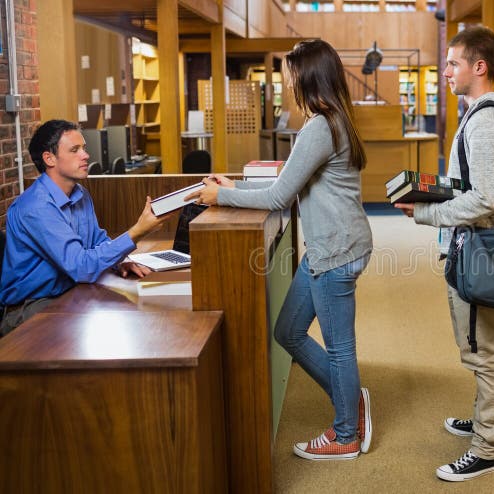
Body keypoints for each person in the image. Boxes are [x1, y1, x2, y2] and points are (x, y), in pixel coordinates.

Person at [187, 39, 374, 461]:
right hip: (336, 245)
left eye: (290, 72)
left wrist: (221, 199)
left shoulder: (320, 126)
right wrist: (236, 188)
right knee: (287, 331)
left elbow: (278, 198)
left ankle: (346, 433)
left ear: (306, 75)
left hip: (336, 250)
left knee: (340, 347)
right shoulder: (335, 119)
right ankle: (351, 399)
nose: (286, 80)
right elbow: (287, 184)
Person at [395, 26, 494, 482]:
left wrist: (428, 215)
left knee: (483, 349)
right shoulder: (482, 112)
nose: (446, 71)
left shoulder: (487, 118)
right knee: (478, 343)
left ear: (479, 67)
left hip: (481, 252)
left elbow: (486, 198)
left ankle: (490, 446)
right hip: (475, 248)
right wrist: (433, 193)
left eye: (452, 63)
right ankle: (485, 418)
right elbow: (474, 184)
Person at [0, 119, 171, 336]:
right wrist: (138, 231)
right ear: (49, 158)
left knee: (137, 314)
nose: (86, 155)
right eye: (75, 150)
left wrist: (120, 261)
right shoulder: (36, 207)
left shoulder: (80, 194)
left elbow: (97, 241)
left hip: (68, 293)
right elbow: (81, 267)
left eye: (84, 148)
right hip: (30, 309)